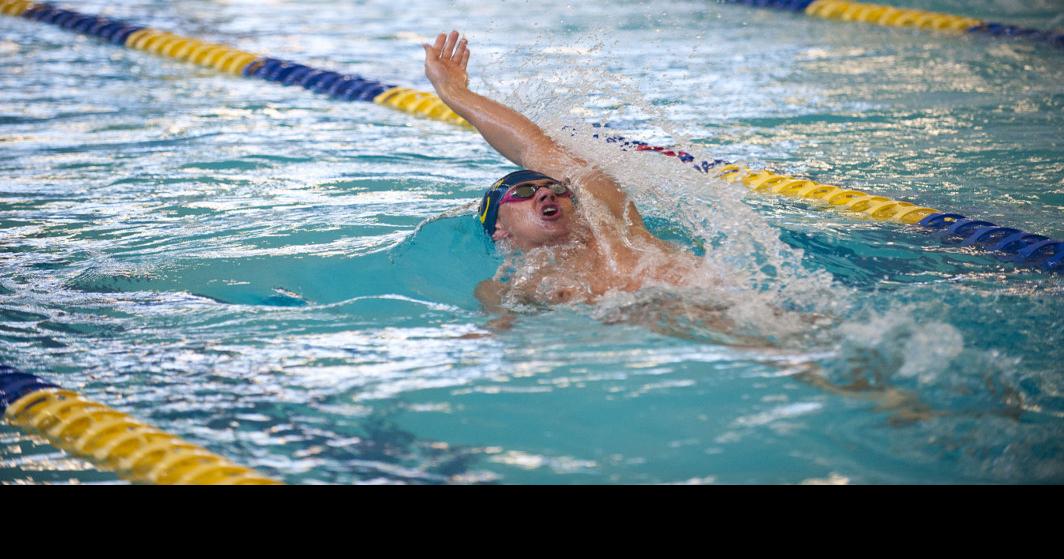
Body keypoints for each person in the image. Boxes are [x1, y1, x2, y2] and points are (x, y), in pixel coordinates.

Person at [422, 31, 702, 317]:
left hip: (716, 301)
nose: (545, 192)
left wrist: (454, 92)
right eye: (523, 192)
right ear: (500, 229)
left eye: (556, 188)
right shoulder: (526, 285)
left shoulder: (609, 219)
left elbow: (532, 145)